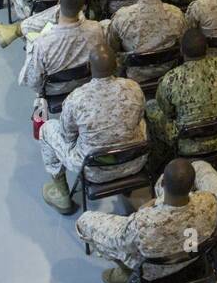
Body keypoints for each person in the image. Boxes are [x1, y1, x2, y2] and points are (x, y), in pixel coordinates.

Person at [38, 43, 147, 214]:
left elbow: (67, 136)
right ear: (116, 64)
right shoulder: (134, 88)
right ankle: (127, 186)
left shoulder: (76, 99)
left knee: (47, 128)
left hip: (93, 171)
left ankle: (61, 193)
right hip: (134, 163)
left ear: (89, 67)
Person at [76, 158, 217, 283]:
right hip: (191, 258)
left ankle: (126, 272)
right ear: (191, 187)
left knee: (85, 222)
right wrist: (155, 204)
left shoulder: (144, 224)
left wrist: (142, 212)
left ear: (164, 183)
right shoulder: (210, 203)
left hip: (152, 271)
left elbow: (121, 240)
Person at [144, 29, 217, 166]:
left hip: (187, 145)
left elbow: (168, 112)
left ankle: (160, 159)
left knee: (150, 106)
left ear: (181, 51)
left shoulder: (171, 79)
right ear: (207, 48)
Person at [18, 0, 105, 97]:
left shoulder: (41, 44)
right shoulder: (96, 29)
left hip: (54, 90)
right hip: (86, 85)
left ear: (59, 2)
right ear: (83, 7)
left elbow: (32, 81)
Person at [106, 0, 186, 81]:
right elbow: (183, 45)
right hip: (168, 74)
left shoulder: (122, 17)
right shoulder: (177, 15)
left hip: (134, 77)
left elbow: (112, 48)